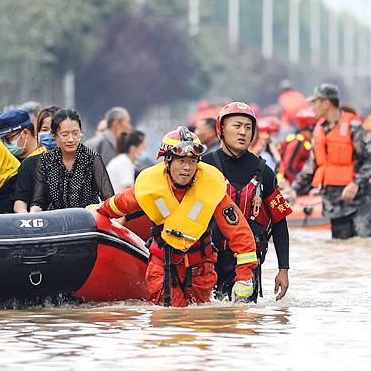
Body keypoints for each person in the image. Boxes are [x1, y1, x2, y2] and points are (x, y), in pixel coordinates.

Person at [94, 127, 258, 306]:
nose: (187, 167)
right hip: (163, 267)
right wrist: (93, 213)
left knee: (200, 324)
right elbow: (115, 206)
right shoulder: (150, 187)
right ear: (168, 161)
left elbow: (240, 233)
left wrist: (244, 277)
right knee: (170, 322)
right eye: (181, 160)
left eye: (192, 161)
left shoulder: (210, 189)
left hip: (201, 271)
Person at [204, 102, 292, 301]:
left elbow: (279, 222)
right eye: (236, 126)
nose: (243, 132)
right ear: (222, 130)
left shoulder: (265, 172)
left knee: (245, 322)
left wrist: (283, 269)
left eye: (248, 127)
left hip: (248, 264)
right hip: (208, 262)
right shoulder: (203, 167)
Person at [292, 84, 371, 239]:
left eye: (315, 102)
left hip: (356, 197)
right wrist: (294, 189)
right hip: (333, 199)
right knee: (340, 249)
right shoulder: (319, 130)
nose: (312, 107)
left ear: (326, 103)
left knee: (365, 245)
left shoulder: (354, 127)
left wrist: (355, 183)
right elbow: (313, 165)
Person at [31, 109, 114, 212]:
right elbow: (39, 200)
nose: (71, 139)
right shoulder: (46, 160)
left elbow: (108, 198)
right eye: (65, 135)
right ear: (54, 135)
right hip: (56, 221)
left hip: (87, 221)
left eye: (75, 134)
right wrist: (34, 212)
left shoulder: (92, 159)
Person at [0, 110, 47, 213]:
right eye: (3, 140)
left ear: (25, 133)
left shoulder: (44, 157)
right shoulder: (8, 164)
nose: (6, 144)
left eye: (8, 139)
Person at [278, 106, 317, 184]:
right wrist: (299, 184)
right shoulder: (297, 143)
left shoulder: (307, 141)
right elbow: (289, 169)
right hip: (290, 184)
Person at [106, 130, 147, 194]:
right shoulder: (124, 162)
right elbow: (127, 192)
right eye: (143, 147)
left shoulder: (124, 160)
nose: (145, 150)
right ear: (133, 148)